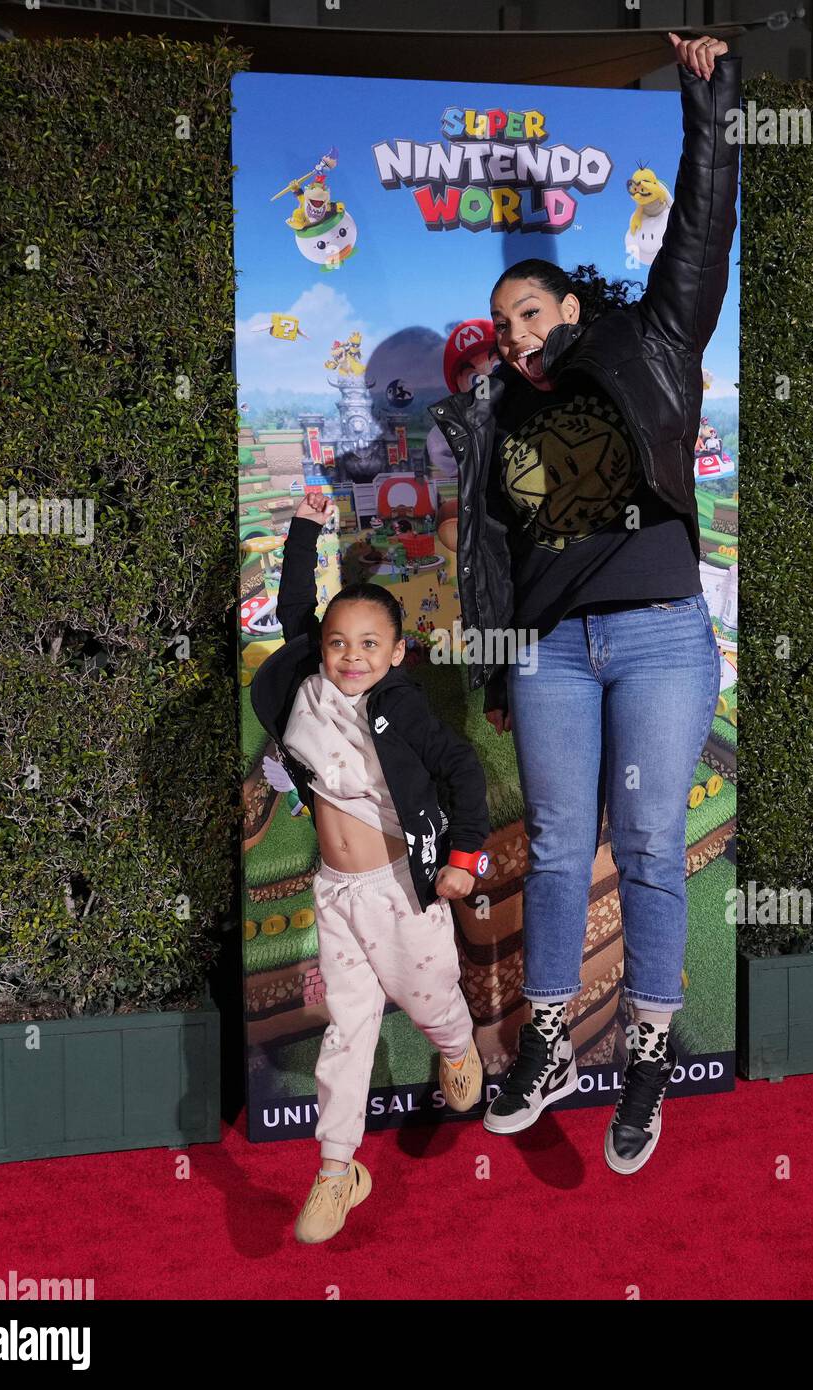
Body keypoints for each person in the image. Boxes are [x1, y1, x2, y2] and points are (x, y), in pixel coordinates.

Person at [426, 33, 738, 1175]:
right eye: (498, 323)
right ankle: (547, 1041)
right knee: (561, 845)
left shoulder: (652, 342)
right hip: (553, 654)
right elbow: (490, 563)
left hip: (656, 640)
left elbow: (700, 230)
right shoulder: (492, 418)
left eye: (527, 310)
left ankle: (647, 1051)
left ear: (569, 303)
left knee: (651, 841)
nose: (512, 332)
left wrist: (709, 100)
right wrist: (496, 669)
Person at [250, 491, 493, 1242]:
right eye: (336, 642)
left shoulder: (402, 706)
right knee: (346, 1029)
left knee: (430, 1003)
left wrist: (462, 861)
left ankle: (457, 1050)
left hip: (398, 891)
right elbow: (296, 604)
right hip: (335, 895)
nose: (349, 656)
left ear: (395, 652)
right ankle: (336, 1170)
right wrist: (304, 529)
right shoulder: (305, 691)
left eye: (367, 644)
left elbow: (465, 771)